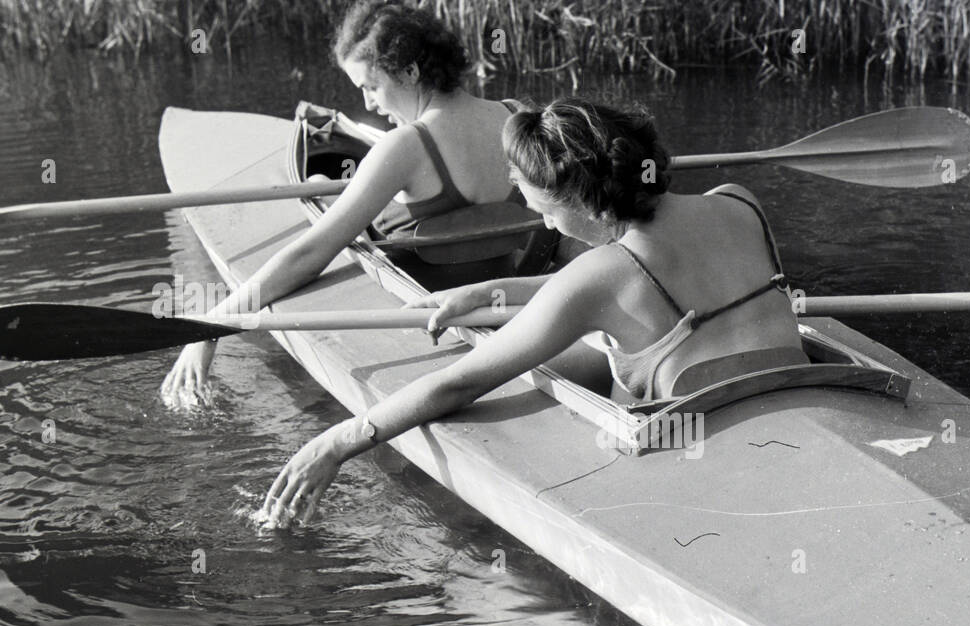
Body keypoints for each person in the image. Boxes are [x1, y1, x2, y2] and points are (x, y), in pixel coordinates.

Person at [259, 96, 808, 527]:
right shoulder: (740, 201)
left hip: (701, 451)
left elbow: (457, 385)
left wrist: (336, 442)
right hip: (805, 397)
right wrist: (488, 291)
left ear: (589, 203)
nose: (545, 226)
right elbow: (627, 278)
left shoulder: (599, 276)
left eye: (546, 211)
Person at [161, 1, 525, 407]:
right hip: (505, 306)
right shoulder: (517, 117)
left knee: (321, 185)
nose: (368, 104)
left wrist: (212, 325)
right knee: (325, 183)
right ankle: (329, 186)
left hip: (437, 322)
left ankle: (326, 187)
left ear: (411, 71)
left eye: (371, 86)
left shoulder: (404, 147)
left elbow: (312, 253)